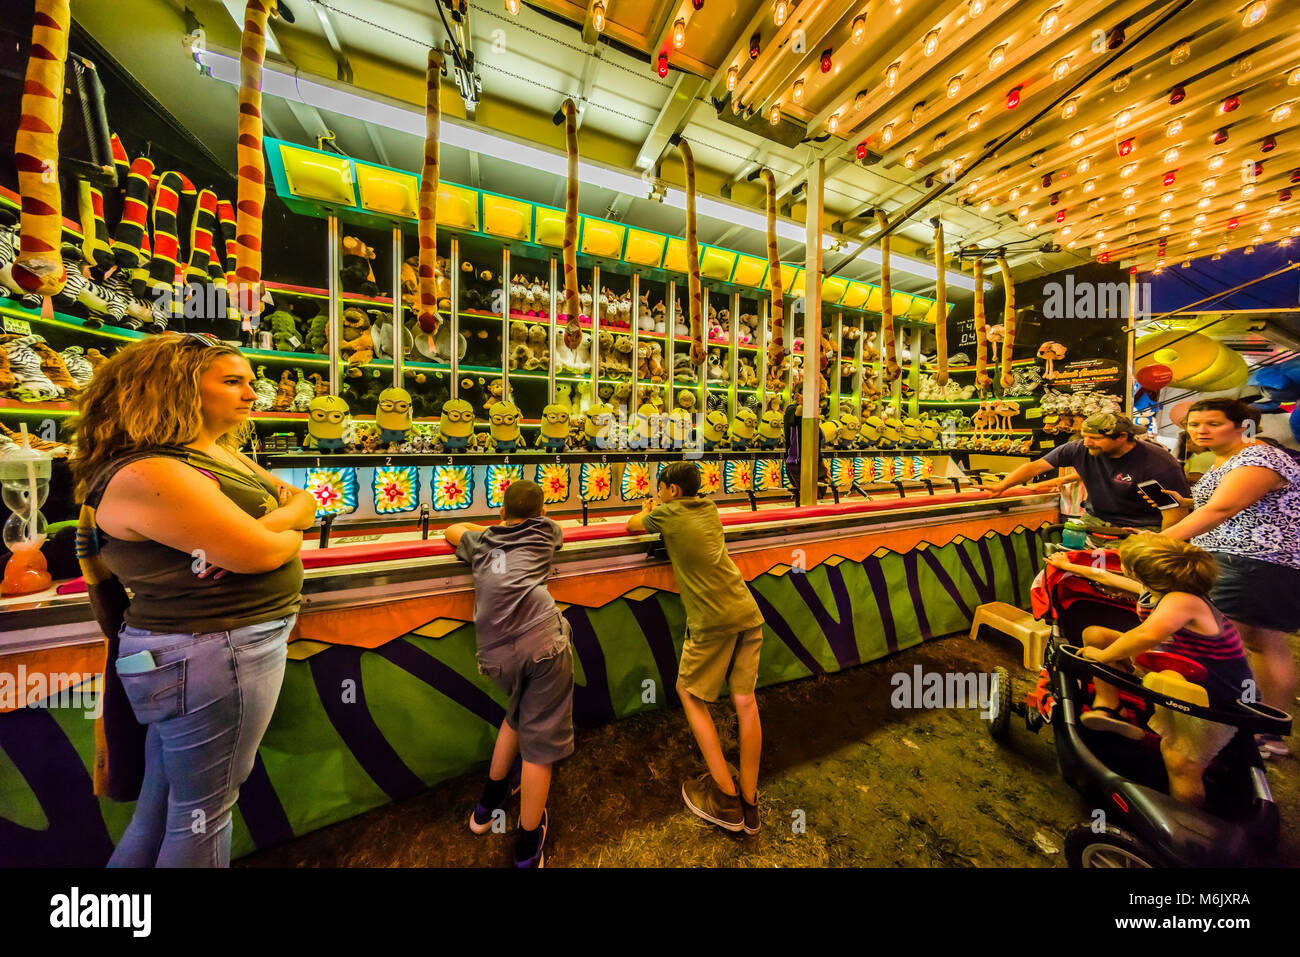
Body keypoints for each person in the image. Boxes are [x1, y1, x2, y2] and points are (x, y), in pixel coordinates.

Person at [71, 333, 315, 867]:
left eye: (251, 381)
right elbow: (263, 552)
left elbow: (304, 502)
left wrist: (265, 531)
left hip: (212, 648)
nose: (251, 392)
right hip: (209, 650)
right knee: (203, 815)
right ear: (175, 389)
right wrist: (271, 538)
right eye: (232, 381)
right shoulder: (150, 472)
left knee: (162, 809)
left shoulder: (215, 452)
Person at [1047, 536, 1253, 807]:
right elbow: (1108, 578)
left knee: (1180, 760)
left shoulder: (1183, 601)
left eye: (1128, 564)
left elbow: (1147, 634)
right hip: (1178, 672)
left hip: (1213, 695)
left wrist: (1104, 656)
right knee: (1096, 635)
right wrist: (1069, 566)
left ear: (1145, 573)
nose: (1123, 567)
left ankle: (1186, 822)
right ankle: (1111, 708)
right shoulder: (1161, 590)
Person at [626, 461, 764, 835]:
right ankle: (749, 800)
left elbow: (631, 526)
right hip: (746, 610)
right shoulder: (710, 508)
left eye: (659, 488)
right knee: (746, 702)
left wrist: (648, 509)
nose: (657, 494)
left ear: (672, 490)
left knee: (688, 694)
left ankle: (725, 797)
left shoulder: (666, 513)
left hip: (711, 621)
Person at [1159, 397, 1299, 759]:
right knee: (1263, 642)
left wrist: (1158, 542)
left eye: (1213, 423)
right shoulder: (1229, 458)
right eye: (1194, 425)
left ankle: (1235, 729)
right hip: (1248, 561)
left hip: (1254, 561)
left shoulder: (1259, 457)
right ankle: (1264, 731)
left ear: (1242, 425)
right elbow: (1226, 505)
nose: (1200, 430)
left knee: (1219, 642)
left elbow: (1224, 508)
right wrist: (1184, 505)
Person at [445, 480, 573, 867]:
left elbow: (452, 530)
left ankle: (487, 808)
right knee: (540, 747)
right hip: (544, 643)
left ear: (501, 513)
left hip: (495, 655)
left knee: (516, 715)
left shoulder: (482, 541)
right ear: (543, 513)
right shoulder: (546, 531)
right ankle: (527, 846)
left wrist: (491, 529)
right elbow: (554, 531)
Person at [982, 411, 1189, 537]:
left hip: (1141, 528)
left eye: (1095, 438)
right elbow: (1035, 467)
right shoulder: (1078, 449)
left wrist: (1161, 545)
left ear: (1122, 437)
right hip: (1095, 519)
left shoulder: (1155, 464)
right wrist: (1002, 486)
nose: (1087, 443)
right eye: (1084, 436)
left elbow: (1173, 512)